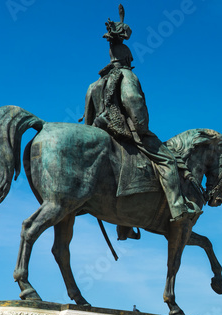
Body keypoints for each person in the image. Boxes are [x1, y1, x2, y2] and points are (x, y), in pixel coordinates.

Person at [83, 5, 199, 238]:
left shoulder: (93, 85)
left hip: (101, 133)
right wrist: (142, 129)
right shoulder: (127, 76)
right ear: (126, 58)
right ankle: (178, 208)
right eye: (131, 58)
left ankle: (124, 223)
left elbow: (88, 118)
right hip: (126, 132)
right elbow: (133, 101)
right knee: (167, 161)